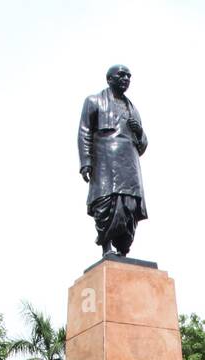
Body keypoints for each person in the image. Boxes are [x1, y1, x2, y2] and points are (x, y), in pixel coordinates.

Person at [78, 64, 148, 257]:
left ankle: (123, 250)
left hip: (129, 162)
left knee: (130, 205)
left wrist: (139, 131)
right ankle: (106, 247)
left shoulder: (133, 110)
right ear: (109, 79)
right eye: (121, 75)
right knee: (106, 202)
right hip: (105, 160)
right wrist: (86, 161)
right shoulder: (93, 101)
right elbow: (84, 132)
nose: (126, 79)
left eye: (129, 76)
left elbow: (143, 145)